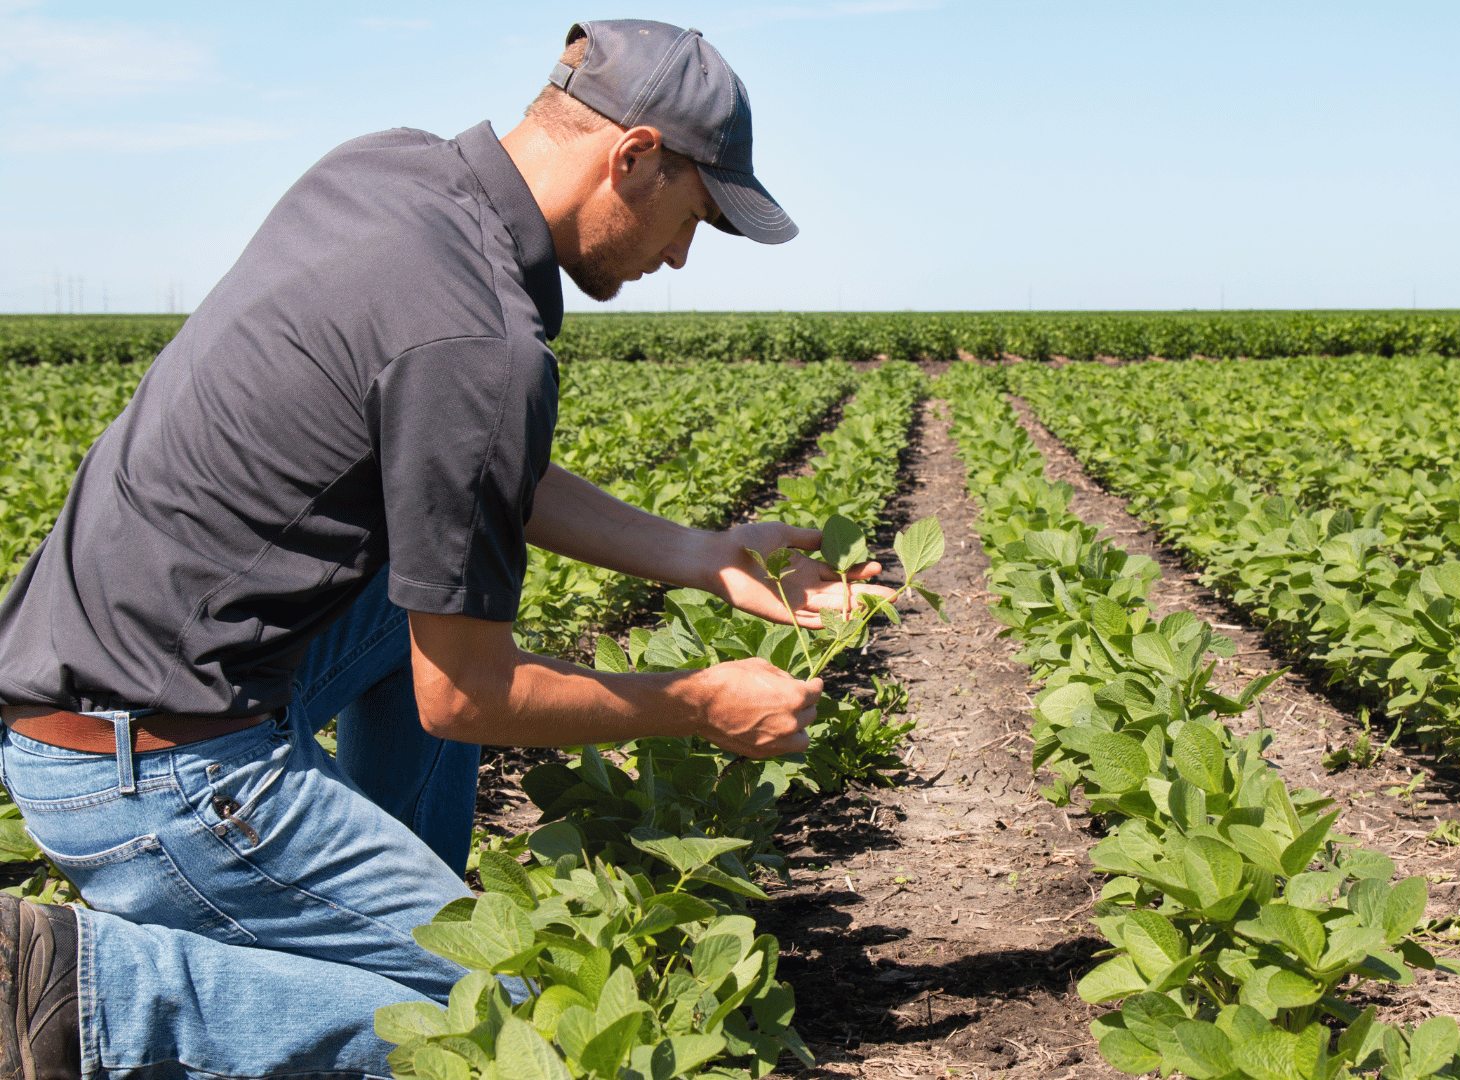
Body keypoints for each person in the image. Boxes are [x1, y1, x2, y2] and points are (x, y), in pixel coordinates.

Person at [0, 19, 876, 1079]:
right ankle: (91, 991)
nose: (683, 255)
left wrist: (703, 555)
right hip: (153, 771)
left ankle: (379, 907)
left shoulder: (391, 171)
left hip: (91, 695)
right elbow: (465, 699)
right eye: (696, 216)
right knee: (512, 1028)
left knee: (413, 592)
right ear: (634, 155)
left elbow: (467, 468)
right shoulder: (482, 342)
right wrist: (701, 704)